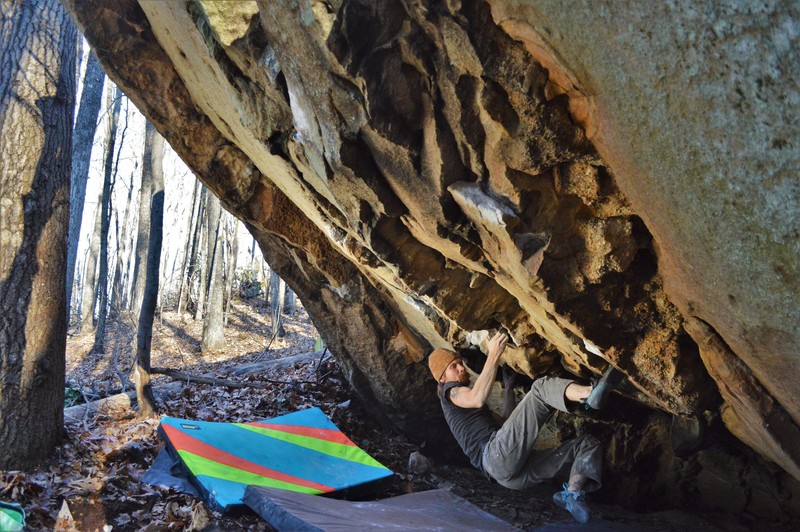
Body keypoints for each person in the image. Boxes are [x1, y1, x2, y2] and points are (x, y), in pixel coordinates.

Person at [428, 331, 622, 524]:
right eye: (453, 367)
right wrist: (494, 353)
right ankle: (589, 393)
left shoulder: (464, 411)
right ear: (443, 379)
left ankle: (572, 494)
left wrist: (509, 388)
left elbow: (506, 423)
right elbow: (476, 398)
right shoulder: (451, 392)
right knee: (540, 389)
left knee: (587, 444)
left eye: (460, 363)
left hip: (508, 476)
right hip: (495, 458)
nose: (461, 368)